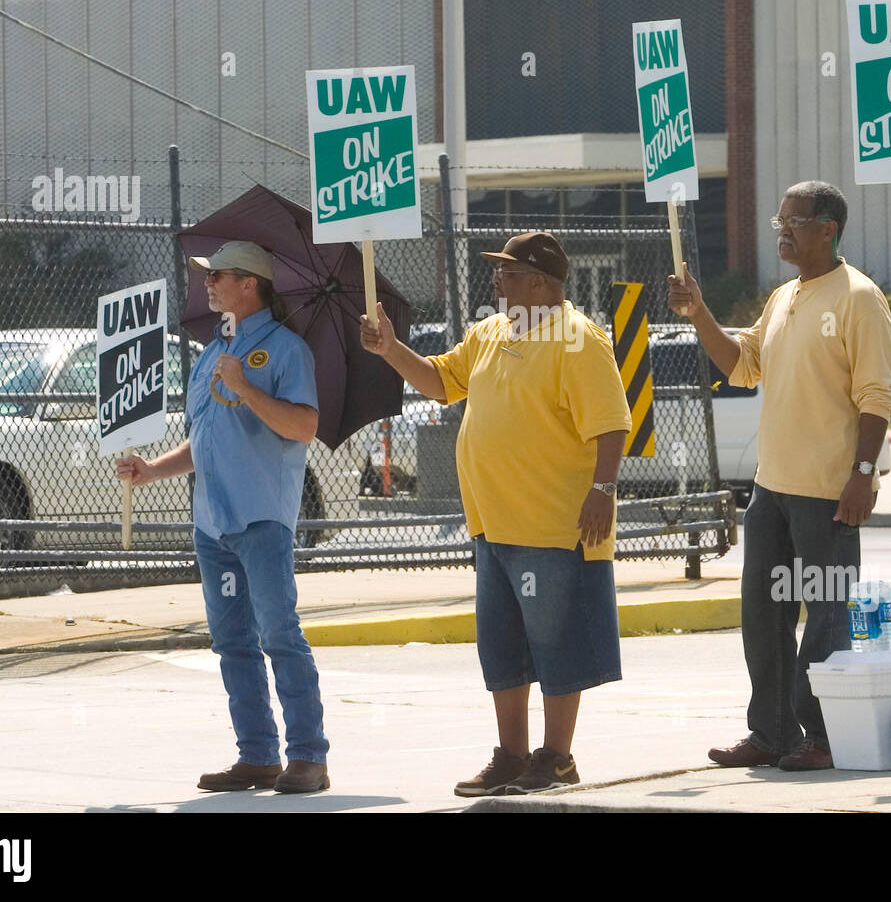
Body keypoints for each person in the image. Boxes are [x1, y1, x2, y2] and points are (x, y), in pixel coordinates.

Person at [360, 232, 632, 796]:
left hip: (554, 523)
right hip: (493, 523)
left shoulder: (579, 338)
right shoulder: (490, 332)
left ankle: (556, 757)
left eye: (507, 272)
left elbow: (610, 422)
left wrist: (602, 488)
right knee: (503, 648)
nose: (496, 281)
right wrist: (390, 347)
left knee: (557, 643)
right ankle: (511, 757)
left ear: (540, 283)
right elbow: (440, 382)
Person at [669, 181, 891, 771]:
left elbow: (878, 396)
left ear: (828, 229)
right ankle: (771, 733)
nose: (782, 228)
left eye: (794, 220)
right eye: (780, 217)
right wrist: (698, 312)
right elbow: (741, 365)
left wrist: (862, 474)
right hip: (771, 490)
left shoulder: (860, 297)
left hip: (829, 491)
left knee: (825, 616)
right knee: (764, 616)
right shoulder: (782, 297)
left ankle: (822, 736)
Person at [116, 240, 331, 793]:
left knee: (279, 634)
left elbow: (303, 427)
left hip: (261, 516)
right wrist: (150, 469)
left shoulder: (286, 351)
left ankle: (308, 755)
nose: (207, 284)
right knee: (232, 642)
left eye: (219, 276)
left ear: (250, 285)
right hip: (212, 521)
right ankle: (257, 754)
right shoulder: (214, 351)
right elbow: (204, 440)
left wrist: (244, 387)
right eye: (207, 277)